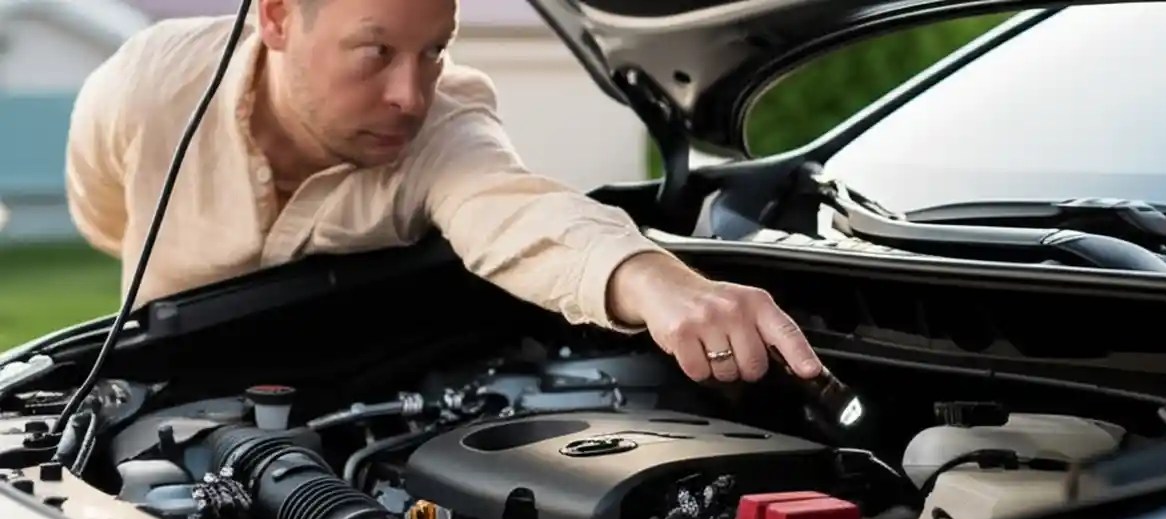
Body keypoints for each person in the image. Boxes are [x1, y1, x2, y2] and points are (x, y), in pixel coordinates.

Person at [65, 0, 823, 385]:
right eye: (376, 52)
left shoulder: (443, 124)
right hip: (155, 394)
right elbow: (103, 211)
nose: (410, 94)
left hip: (345, 395)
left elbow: (521, 214)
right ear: (276, 18)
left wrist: (659, 282)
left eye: (434, 50)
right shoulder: (150, 88)